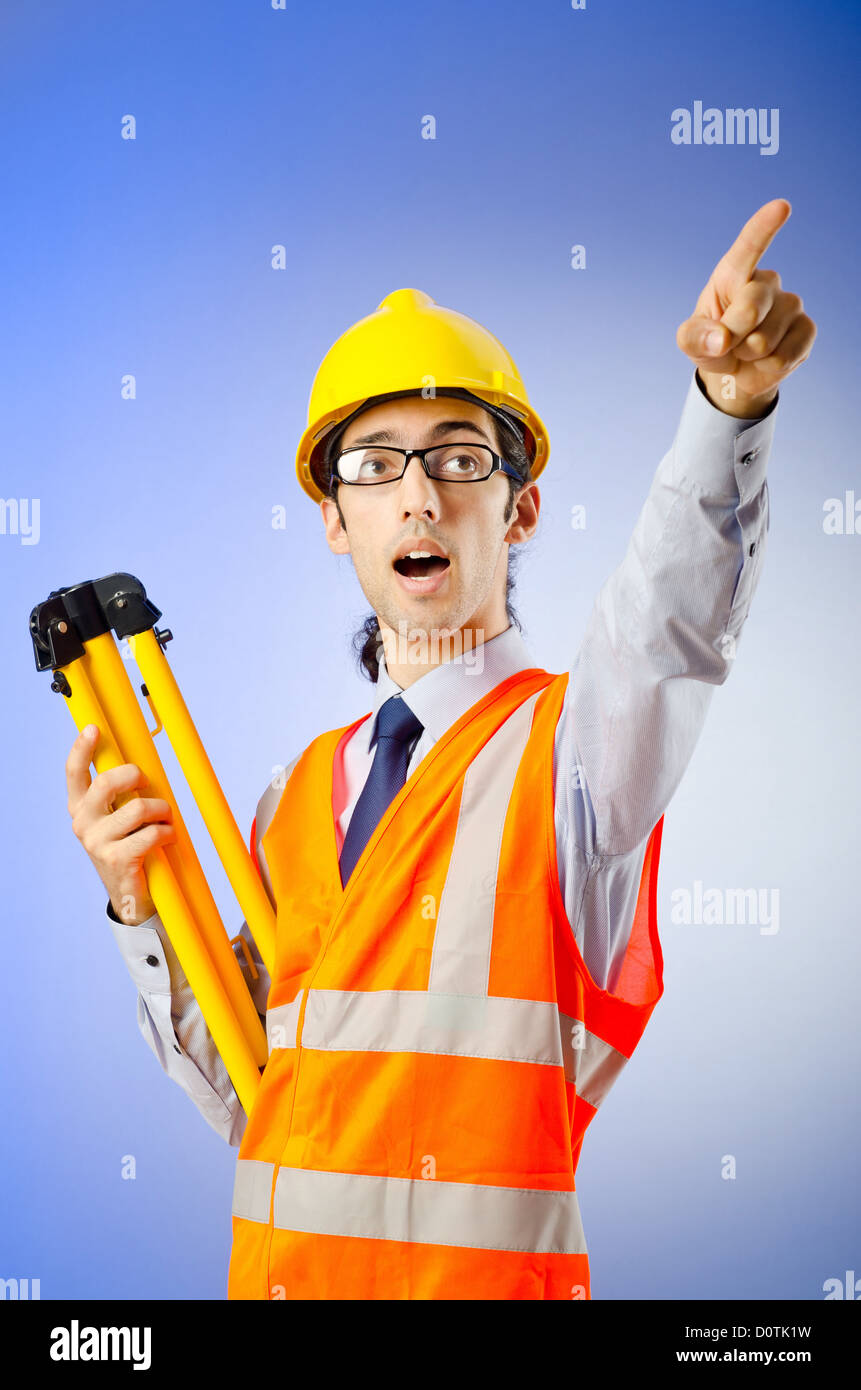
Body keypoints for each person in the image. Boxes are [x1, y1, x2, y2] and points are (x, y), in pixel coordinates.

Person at [65, 199, 815, 1300]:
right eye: (374, 465)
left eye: (460, 458)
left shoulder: (574, 757)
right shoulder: (296, 794)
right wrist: (136, 904)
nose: (419, 494)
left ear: (520, 509)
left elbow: (670, 624)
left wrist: (727, 411)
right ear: (335, 519)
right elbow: (255, 1091)